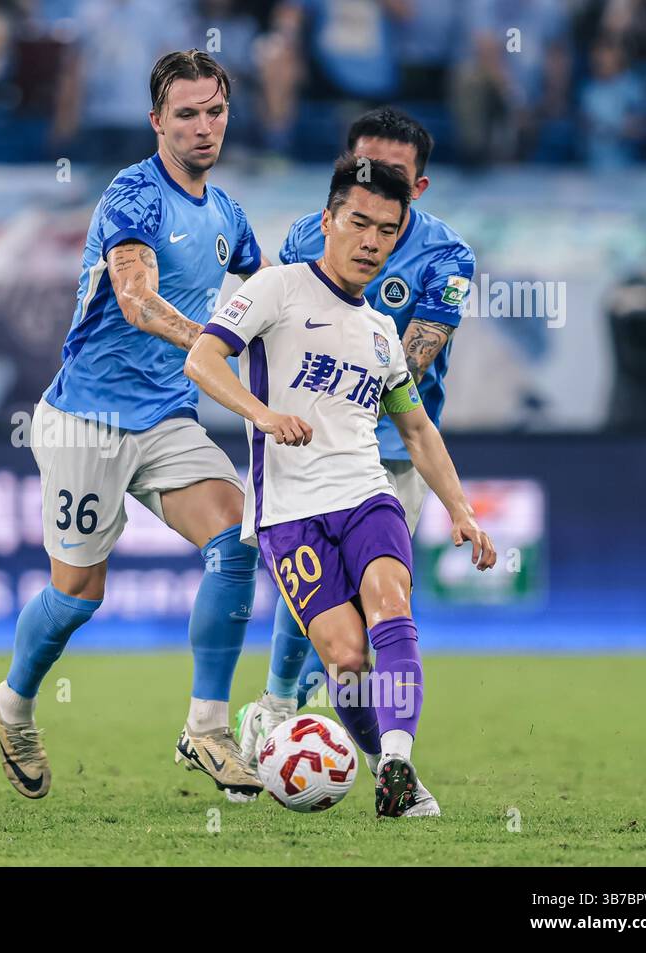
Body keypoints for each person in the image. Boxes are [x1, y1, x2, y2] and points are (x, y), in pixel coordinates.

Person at [186, 153, 496, 816]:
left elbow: (416, 431)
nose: (371, 241)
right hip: (289, 513)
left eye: (388, 229)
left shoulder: (383, 332)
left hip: (366, 495)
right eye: (359, 223)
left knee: (391, 603)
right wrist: (262, 414)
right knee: (347, 659)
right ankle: (383, 758)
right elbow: (202, 357)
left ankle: (401, 766)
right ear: (328, 220)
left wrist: (462, 511)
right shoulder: (276, 290)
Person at [0, 50, 267, 800]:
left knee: (236, 537)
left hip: (166, 418)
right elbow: (138, 301)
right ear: (157, 122)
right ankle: (15, 704)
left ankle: (206, 728)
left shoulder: (228, 214)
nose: (204, 126)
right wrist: (213, 344)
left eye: (215, 111)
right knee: (78, 595)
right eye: (187, 113)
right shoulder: (132, 195)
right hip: (87, 421)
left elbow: (268, 292)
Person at [237, 107, 475, 787]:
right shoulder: (302, 238)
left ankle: (352, 731)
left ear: (417, 190)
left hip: (394, 451)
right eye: (361, 167)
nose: (374, 185)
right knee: (310, 594)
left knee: (381, 601)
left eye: (392, 176)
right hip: (304, 443)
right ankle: (283, 705)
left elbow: (416, 360)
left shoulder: (447, 255)